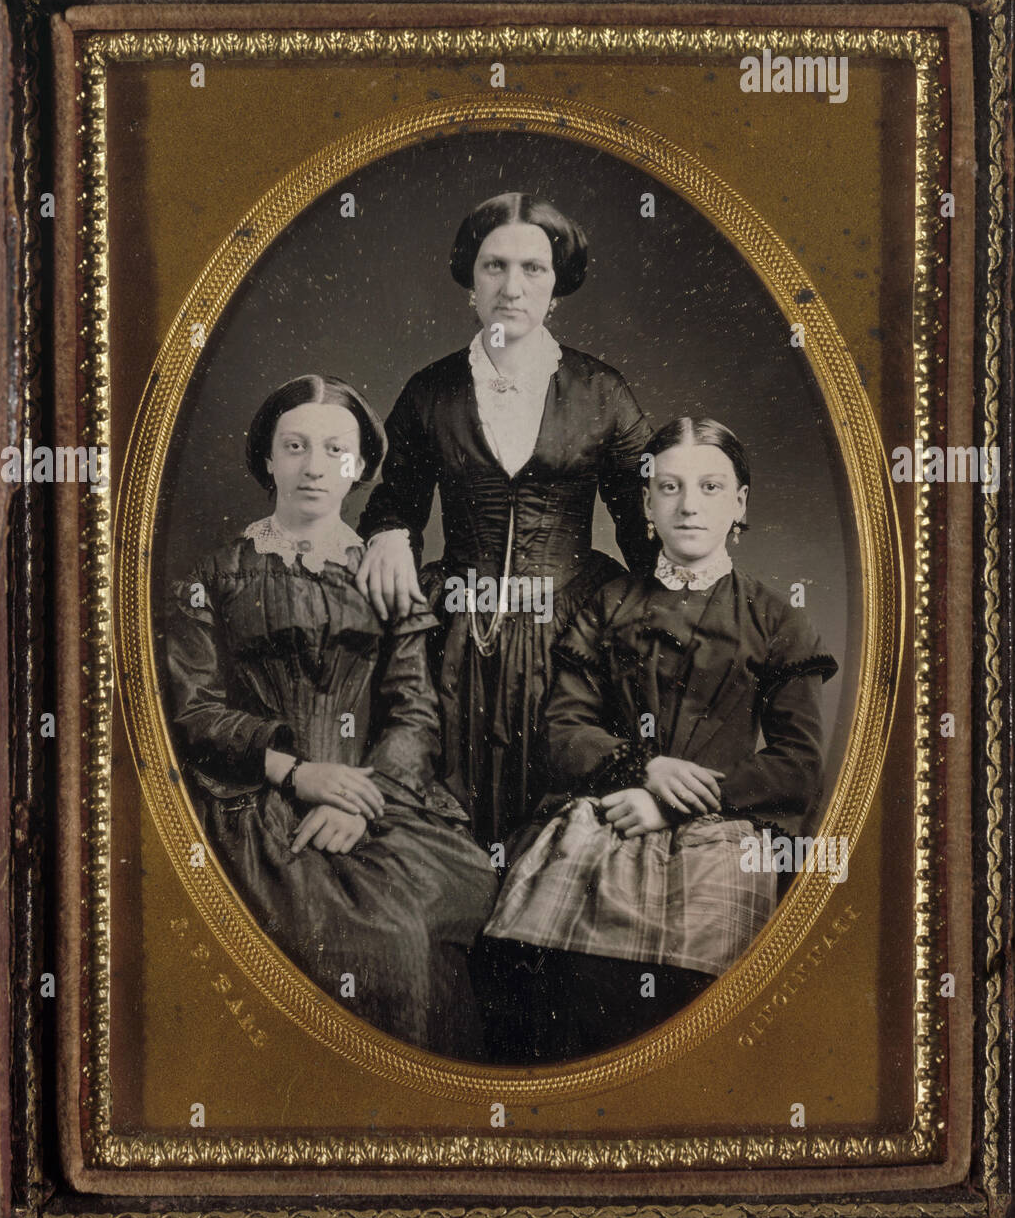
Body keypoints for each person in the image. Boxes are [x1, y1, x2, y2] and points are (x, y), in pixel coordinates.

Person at [482, 417, 839, 1062]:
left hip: (725, 828)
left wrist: (674, 799)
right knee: (539, 977)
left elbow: (797, 765)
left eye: (710, 486)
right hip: (610, 809)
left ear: (740, 504)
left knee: (687, 1004)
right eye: (668, 487)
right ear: (646, 502)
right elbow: (562, 730)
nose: (689, 505)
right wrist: (644, 770)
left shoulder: (773, 618)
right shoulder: (608, 606)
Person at [164, 374, 499, 1060]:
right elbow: (192, 709)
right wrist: (295, 772)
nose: (314, 467)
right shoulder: (221, 574)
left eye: (335, 451)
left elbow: (413, 710)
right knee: (368, 938)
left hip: (376, 800)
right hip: (256, 802)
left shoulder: (383, 579)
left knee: (433, 915)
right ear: (267, 459)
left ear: (361, 467)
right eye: (295, 446)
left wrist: (361, 799)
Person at [355, 192, 656, 845]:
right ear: (470, 279)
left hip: (575, 623)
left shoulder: (601, 390)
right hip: (461, 622)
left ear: (556, 287)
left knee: (563, 821)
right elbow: (395, 496)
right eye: (494, 267)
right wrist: (384, 533)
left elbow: (643, 518)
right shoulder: (430, 390)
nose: (511, 287)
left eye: (532, 270)